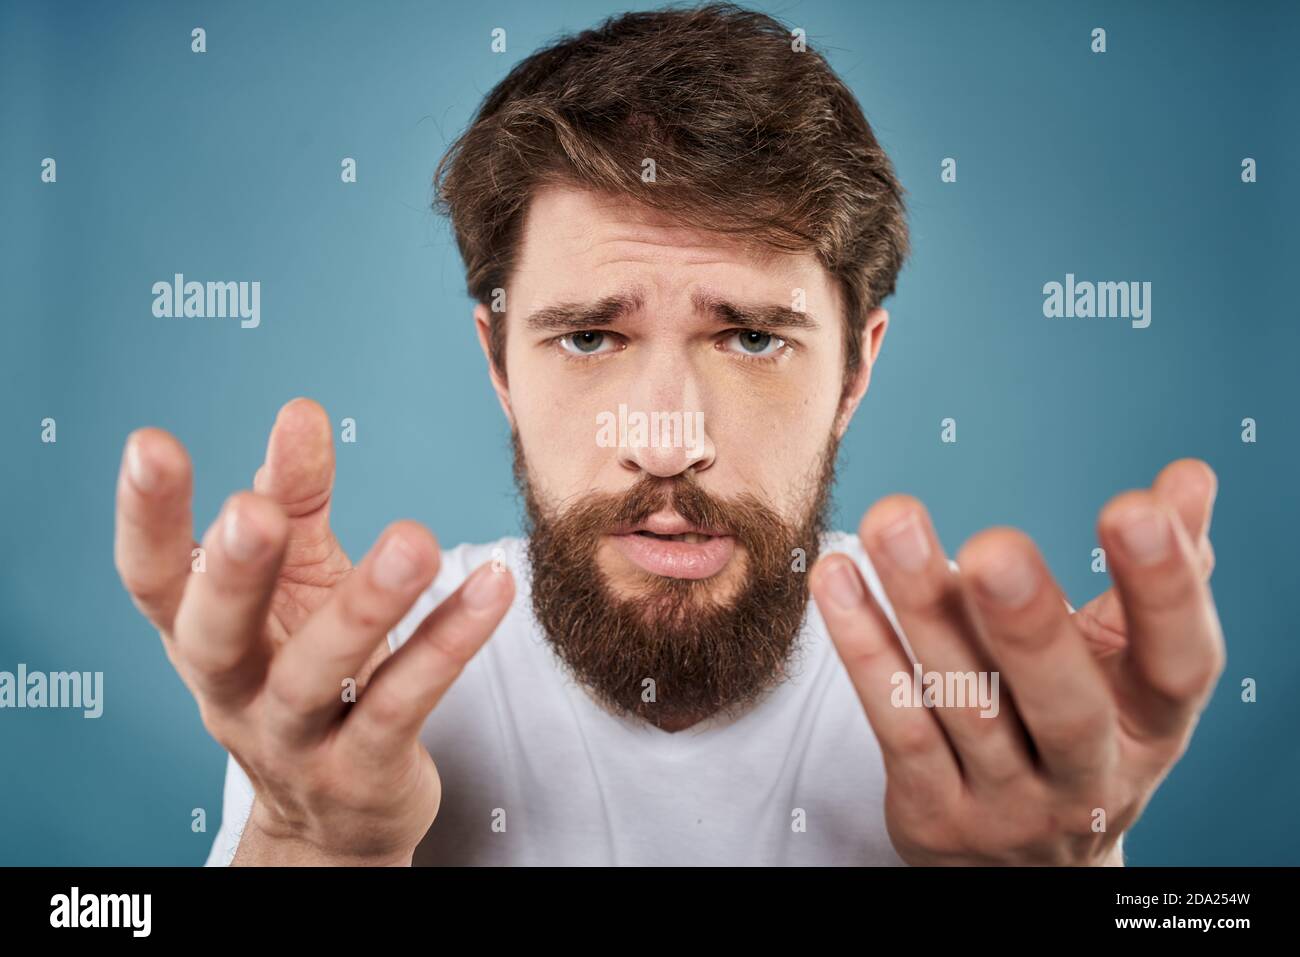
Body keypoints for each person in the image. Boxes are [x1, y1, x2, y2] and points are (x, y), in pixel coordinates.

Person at [113, 4, 1224, 866]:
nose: (666, 440)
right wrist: (306, 847)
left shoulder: (992, 719)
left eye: (749, 338)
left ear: (858, 368)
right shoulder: (357, 691)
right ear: (498, 364)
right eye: (590, 338)